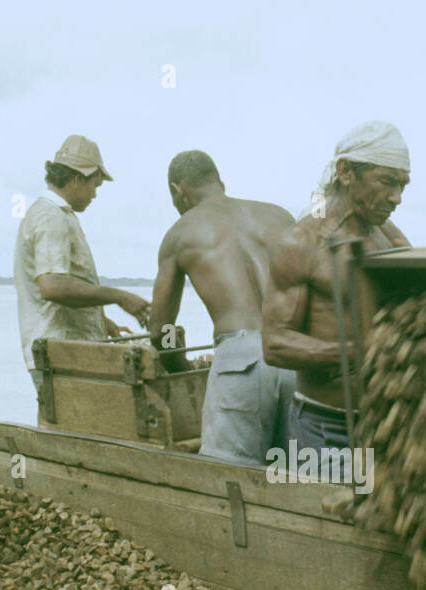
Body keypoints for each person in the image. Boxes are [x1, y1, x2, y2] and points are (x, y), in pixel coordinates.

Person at [262, 121, 410, 476]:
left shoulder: (391, 239)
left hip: (388, 424)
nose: (397, 198)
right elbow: (275, 344)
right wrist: (353, 352)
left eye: (403, 185)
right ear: (346, 172)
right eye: (387, 182)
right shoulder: (302, 242)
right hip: (327, 429)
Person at [149, 151, 296, 463]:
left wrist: (178, 363)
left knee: (226, 480)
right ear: (219, 183)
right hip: (296, 354)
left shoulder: (179, 234)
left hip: (240, 362)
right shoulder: (279, 216)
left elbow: (161, 328)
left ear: (179, 190)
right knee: (297, 476)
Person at [14, 135, 151, 422]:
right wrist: (119, 297)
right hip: (59, 355)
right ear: (76, 179)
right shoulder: (52, 217)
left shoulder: (56, 214)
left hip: (66, 352)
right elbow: (52, 286)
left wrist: (101, 320)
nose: (95, 194)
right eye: (94, 186)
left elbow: (66, 284)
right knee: (71, 432)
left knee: (67, 429)